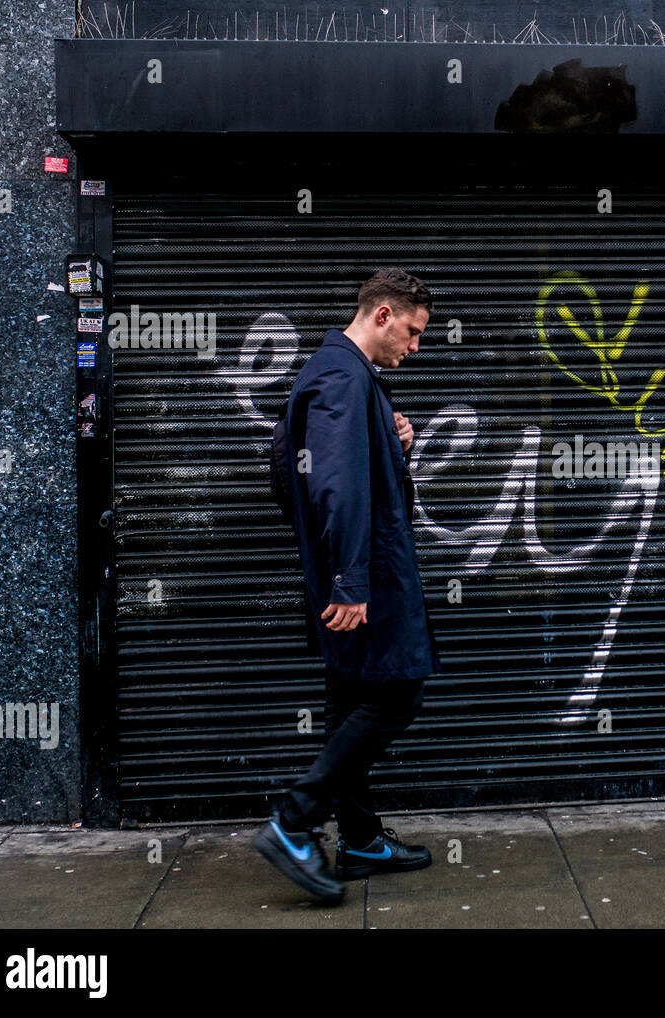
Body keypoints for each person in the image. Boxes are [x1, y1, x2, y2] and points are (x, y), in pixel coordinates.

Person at [254, 268, 442, 903]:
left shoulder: (348, 377)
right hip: (366, 578)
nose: (415, 348)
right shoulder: (341, 374)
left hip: (352, 571)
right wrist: (348, 580)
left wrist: (396, 445)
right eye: (413, 333)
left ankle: (359, 838)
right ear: (383, 315)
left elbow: (290, 468)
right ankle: (292, 822)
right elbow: (331, 483)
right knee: (398, 693)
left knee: (347, 699)